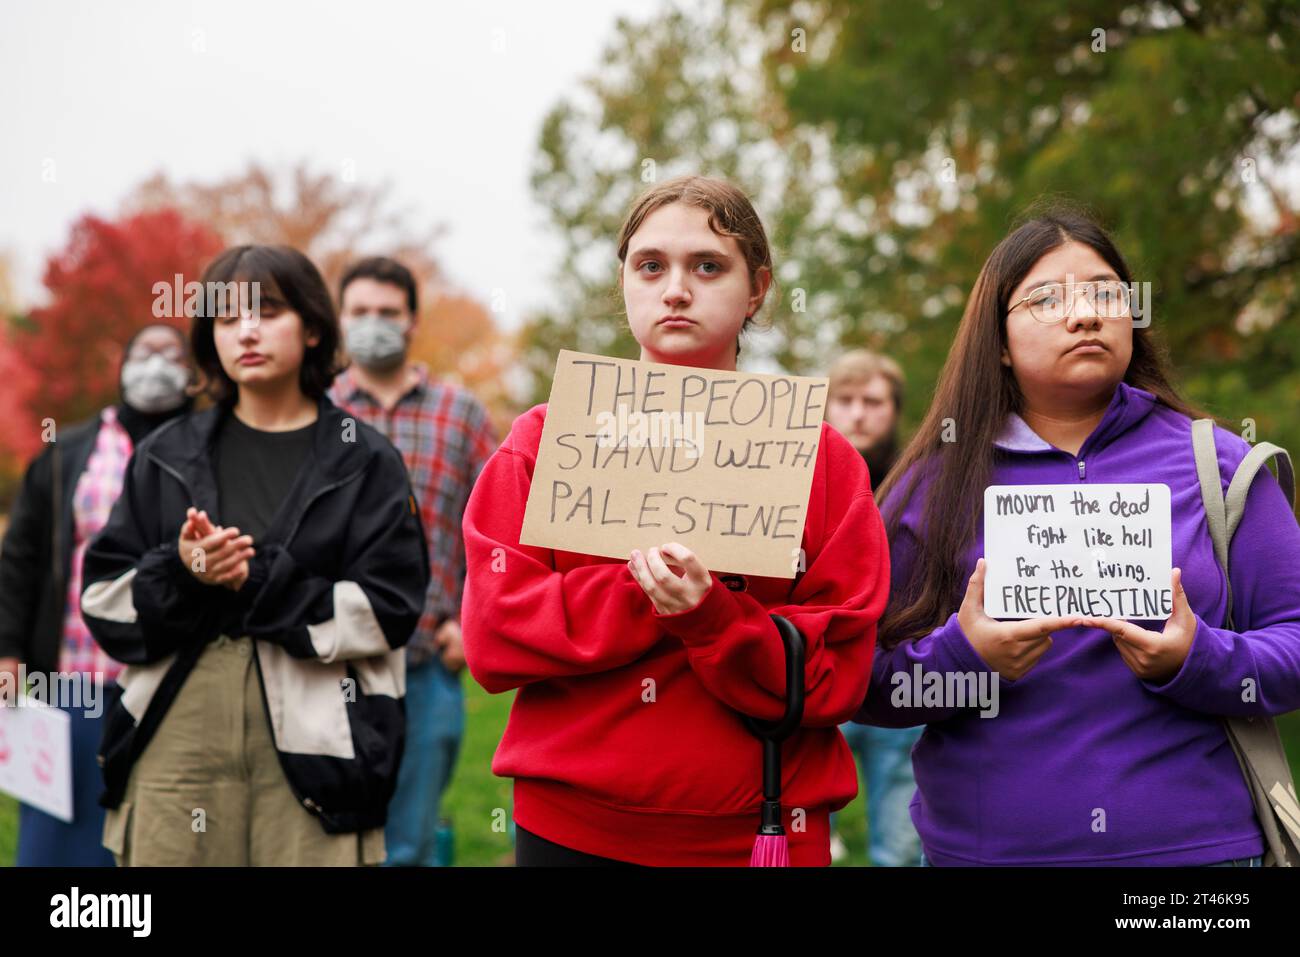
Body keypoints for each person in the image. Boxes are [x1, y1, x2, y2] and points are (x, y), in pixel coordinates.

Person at [461, 175, 890, 866]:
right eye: (651, 265)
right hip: (574, 827)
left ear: (758, 289)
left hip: (761, 828)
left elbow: (839, 667)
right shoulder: (545, 440)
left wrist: (715, 619)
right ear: (624, 280)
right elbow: (495, 631)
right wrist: (648, 591)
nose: (677, 289)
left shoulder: (823, 459)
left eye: (708, 266)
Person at [856, 206, 1300, 866]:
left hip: (1197, 866)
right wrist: (962, 658)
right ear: (998, 341)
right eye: (1045, 299)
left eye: (1105, 294)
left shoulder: (1223, 465)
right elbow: (860, 677)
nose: (1085, 314)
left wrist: (1195, 660)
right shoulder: (931, 483)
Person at [79, 245, 430, 866]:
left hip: (319, 749)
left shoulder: (365, 459)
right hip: (174, 741)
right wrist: (184, 570)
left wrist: (255, 578)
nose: (245, 330)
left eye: (267, 312)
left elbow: (390, 609)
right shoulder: (164, 453)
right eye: (225, 316)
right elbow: (104, 605)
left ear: (314, 327)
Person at [0, 323, 196, 866]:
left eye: (170, 354)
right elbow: (20, 557)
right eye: (144, 350)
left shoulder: (204, 448)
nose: (156, 363)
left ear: (191, 373)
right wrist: (8, 651)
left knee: (149, 831)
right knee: (55, 832)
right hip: (69, 678)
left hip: (163, 682)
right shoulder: (69, 450)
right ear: (123, 363)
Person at [330, 256, 497, 867]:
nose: (373, 323)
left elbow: (502, 530)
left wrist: (472, 621)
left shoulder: (462, 412)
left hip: (426, 663)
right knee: (322, 838)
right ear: (340, 320)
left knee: (410, 844)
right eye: (360, 312)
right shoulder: (316, 409)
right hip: (323, 663)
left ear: (412, 321)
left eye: (387, 312)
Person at [823, 349, 922, 867]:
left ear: (894, 410)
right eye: (845, 400)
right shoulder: (797, 486)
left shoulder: (923, 482)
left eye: (873, 401)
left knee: (900, 849)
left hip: (900, 681)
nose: (859, 413)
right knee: (806, 841)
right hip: (816, 681)